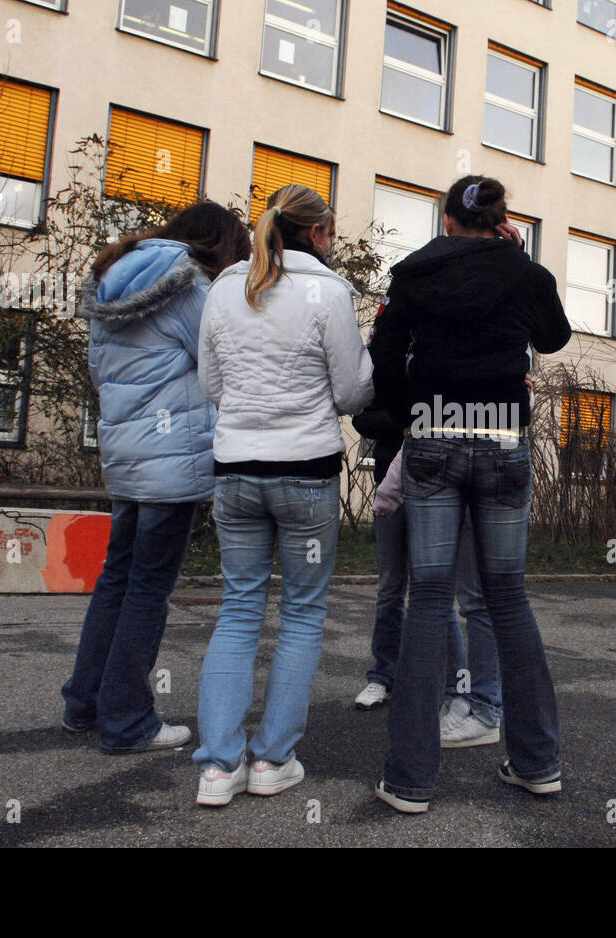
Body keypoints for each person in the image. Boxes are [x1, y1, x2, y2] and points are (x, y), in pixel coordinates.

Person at [369, 175, 572, 813]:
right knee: (506, 596)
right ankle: (538, 764)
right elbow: (555, 338)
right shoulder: (522, 273)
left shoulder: (414, 271)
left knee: (428, 599)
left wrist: (407, 415)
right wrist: (519, 256)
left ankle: (409, 782)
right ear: (501, 220)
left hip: (433, 435)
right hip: (504, 438)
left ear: (448, 220)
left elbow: (383, 352)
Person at [192, 184, 373, 806]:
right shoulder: (328, 290)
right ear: (319, 234)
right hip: (306, 473)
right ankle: (272, 760)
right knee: (301, 614)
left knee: (238, 610)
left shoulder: (224, 288)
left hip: (235, 471)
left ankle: (216, 767)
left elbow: (210, 383)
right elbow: (351, 394)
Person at [62, 201, 251, 754]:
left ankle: (84, 703)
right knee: (148, 588)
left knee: (116, 579)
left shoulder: (112, 277)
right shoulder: (189, 284)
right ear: (218, 245)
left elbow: (103, 372)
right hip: (172, 461)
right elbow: (220, 362)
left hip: (125, 455)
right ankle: (127, 721)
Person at [352, 416, 503, 749]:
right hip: (406, 473)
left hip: (447, 482)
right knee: (395, 589)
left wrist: (421, 424)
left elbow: (515, 410)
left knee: (447, 595)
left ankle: (467, 698)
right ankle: (386, 678)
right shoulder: (401, 368)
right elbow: (365, 416)